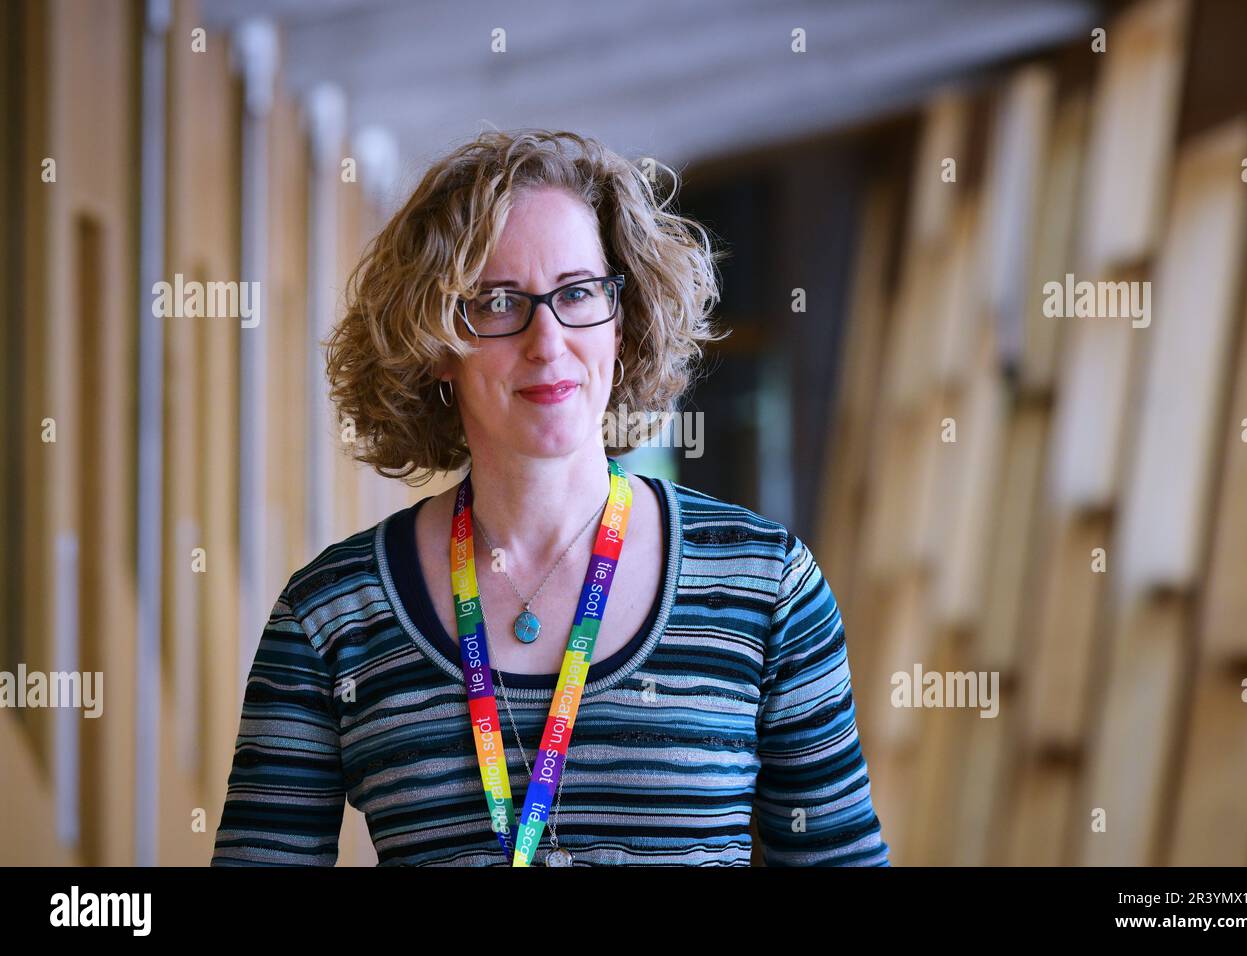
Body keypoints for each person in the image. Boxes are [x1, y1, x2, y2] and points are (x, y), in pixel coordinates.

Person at [211, 129, 889, 866]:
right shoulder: (331, 616)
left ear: (622, 320)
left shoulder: (765, 586)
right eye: (500, 302)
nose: (548, 339)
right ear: (436, 340)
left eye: (577, 293)